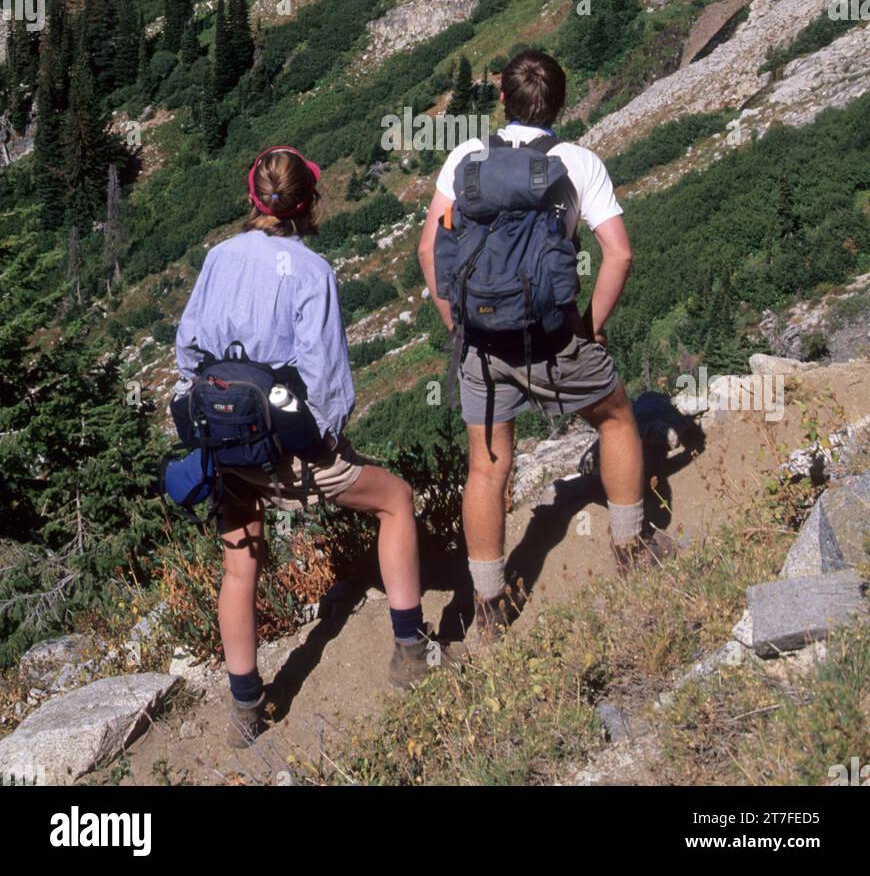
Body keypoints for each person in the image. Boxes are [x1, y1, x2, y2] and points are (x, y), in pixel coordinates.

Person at [173, 145, 444, 748]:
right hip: (288, 447)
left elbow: (187, 352)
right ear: (307, 204)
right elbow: (326, 381)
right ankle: (409, 649)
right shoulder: (311, 271)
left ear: (253, 197)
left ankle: (246, 708)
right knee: (395, 500)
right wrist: (322, 443)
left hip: (227, 447)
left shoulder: (218, 257)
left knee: (240, 561)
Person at [417, 50, 675, 643]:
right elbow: (620, 253)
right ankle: (631, 546)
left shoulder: (466, 158)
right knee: (614, 420)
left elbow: (430, 251)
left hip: (482, 341)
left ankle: (489, 604)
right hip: (556, 336)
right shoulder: (578, 163)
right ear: (559, 103)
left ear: (503, 100)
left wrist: (458, 325)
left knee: (487, 467)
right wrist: (590, 323)